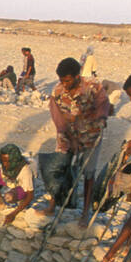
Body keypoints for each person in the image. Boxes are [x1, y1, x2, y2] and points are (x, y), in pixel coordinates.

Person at [46, 57, 111, 224]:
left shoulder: (93, 86)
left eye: (67, 80)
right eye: (62, 80)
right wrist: (71, 139)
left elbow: (103, 103)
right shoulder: (57, 91)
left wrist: (102, 118)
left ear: (77, 76)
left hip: (91, 136)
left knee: (88, 172)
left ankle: (85, 212)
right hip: (67, 135)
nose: (64, 84)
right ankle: (52, 206)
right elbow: (58, 119)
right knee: (60, 168)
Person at [0, 143, 35, 226]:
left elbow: (30, 195)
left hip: (19, 186)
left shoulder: (25, 171)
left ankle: (16, 199)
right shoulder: (5, 164)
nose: (5, 164)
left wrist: (13, 214)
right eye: (3, 161)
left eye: (7, 162)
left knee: (9, 197)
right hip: (8, 180)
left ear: (14, 160)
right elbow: (2, 173)